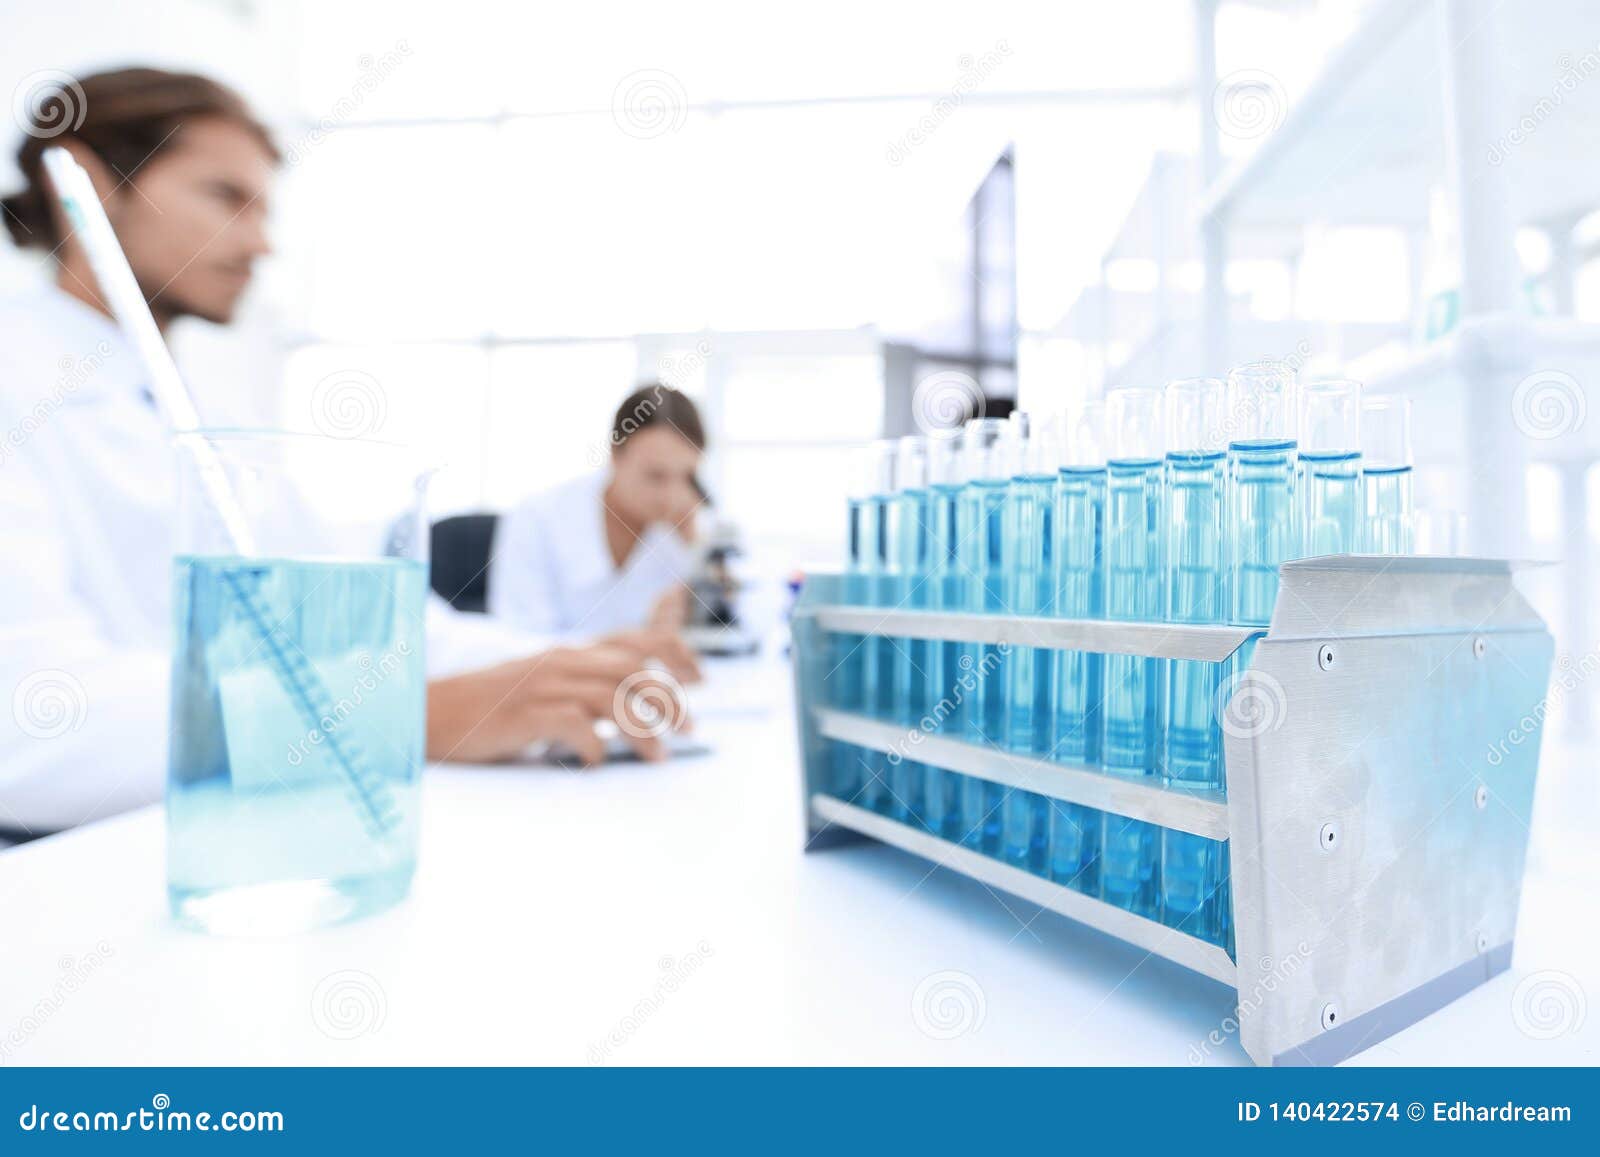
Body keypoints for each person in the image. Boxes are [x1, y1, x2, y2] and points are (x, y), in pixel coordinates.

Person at [0, 68, 695, 836]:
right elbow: (29, 728)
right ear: (90, 185)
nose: (261, 244)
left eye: (265, 210)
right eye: (226, 197)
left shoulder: (207, 412)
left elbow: (374, 631)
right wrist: (403, 718)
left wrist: (569, 661)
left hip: (249, 829)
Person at [489, 385, 705, 635]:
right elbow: (521, 640)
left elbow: (746, 632)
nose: (672, 497)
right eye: (656, 476)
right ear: (615, 454)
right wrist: (638, 644)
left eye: (687, 476)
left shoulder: (694, 531)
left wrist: (696, 552)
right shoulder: (538, 517)